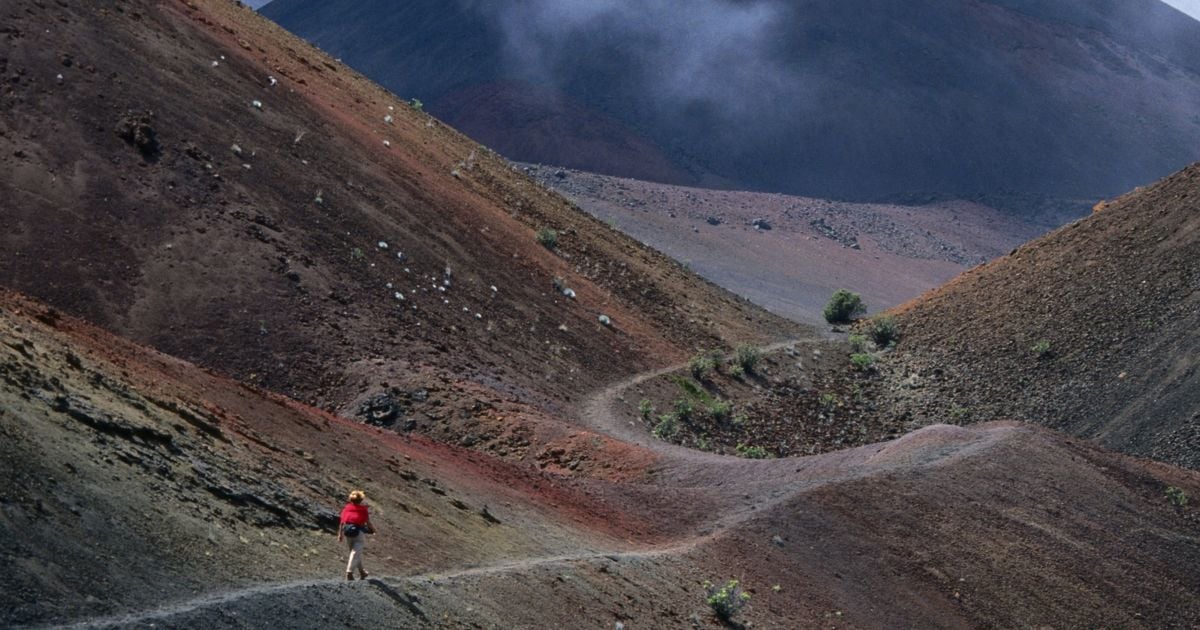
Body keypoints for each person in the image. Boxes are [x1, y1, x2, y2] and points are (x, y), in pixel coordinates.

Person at [337, 489, 376, 580]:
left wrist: (340, 534)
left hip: (347, 532)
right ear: (361, 500)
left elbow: (342, 522)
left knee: (355, 553)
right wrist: (373, 530)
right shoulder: (363, 509)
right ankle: (349, 572)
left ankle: (362, 572)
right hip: (358, 533)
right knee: (355, 552)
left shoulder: (347, 508)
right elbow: (368, 522)